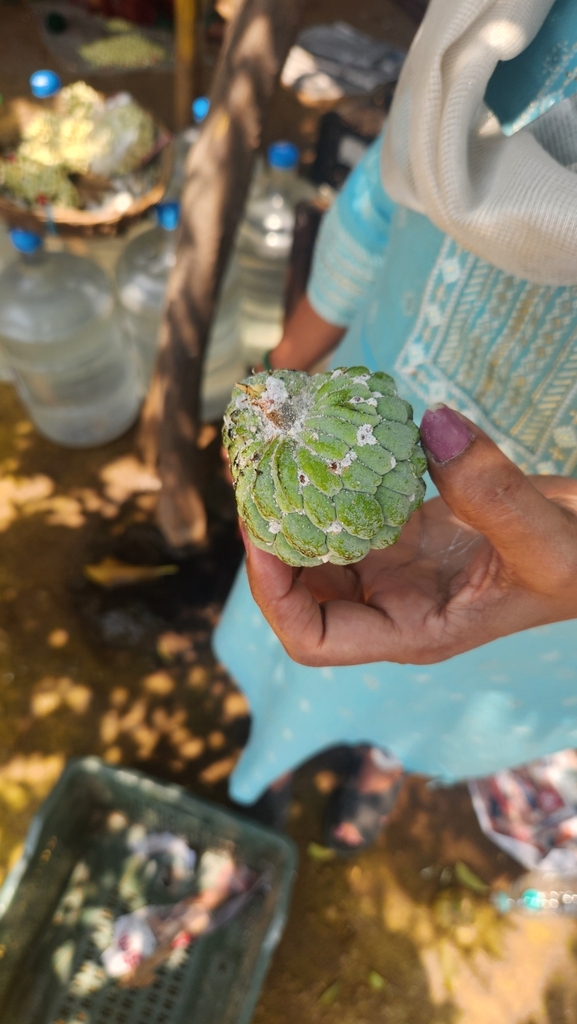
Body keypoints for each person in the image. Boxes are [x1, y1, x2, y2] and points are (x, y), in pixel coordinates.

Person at [214, 0, 577, 851]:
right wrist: (288, 358)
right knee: (330, 613)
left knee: (453, 660)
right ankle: (277, 750)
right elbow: (385, 187)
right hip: (369, 413)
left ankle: (383, 760)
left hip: (551, 557)